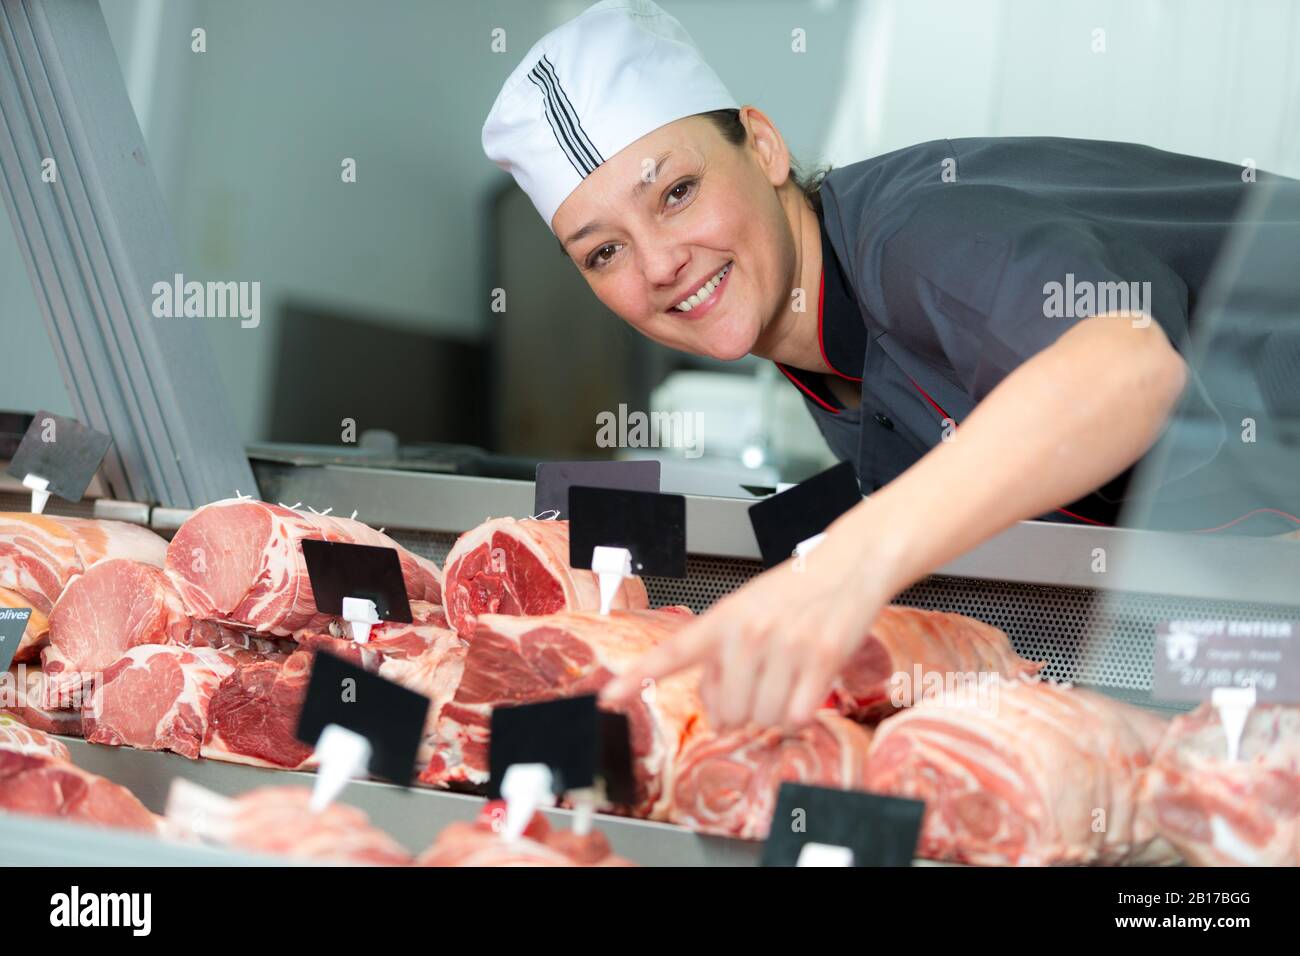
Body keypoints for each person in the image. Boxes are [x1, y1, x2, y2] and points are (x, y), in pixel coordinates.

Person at [480, 0, 1300, 731]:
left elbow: (1126, 370)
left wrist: (848, 564)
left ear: (763, 145)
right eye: (605, 251)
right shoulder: (821, 353)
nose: (659, 264)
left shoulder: (915, 233)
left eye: (678, 192)